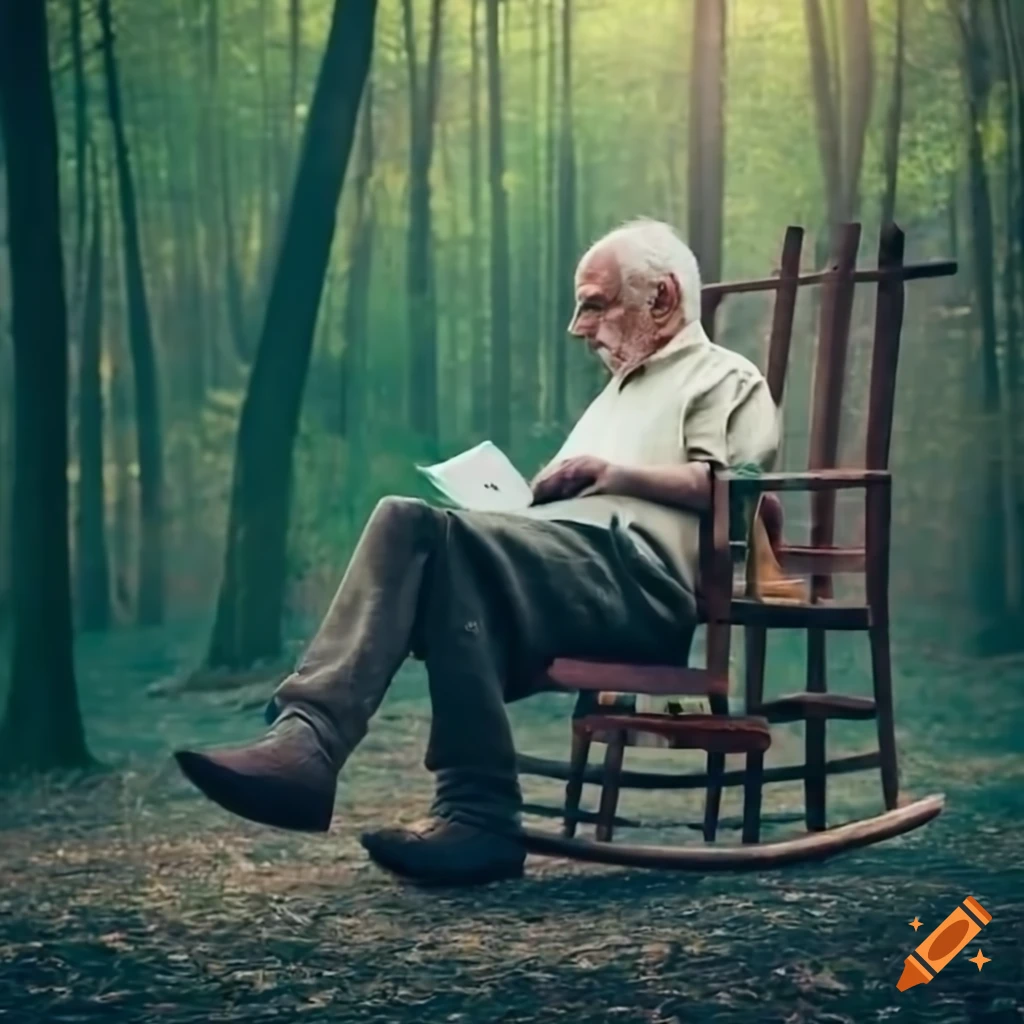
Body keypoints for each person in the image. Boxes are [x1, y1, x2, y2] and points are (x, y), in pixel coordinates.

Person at [174, 218, 785, 887]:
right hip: (559, 571)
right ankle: (466, 815)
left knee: (418, 531)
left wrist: (614, 475)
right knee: (419, 535)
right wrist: (522, 501)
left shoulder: (725, 377)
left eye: (595, 303)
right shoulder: (613, 398)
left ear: (663, 299)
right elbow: (560, 506)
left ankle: (324, 751)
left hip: (638, 584)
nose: (579, 327)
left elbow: (743, 489)